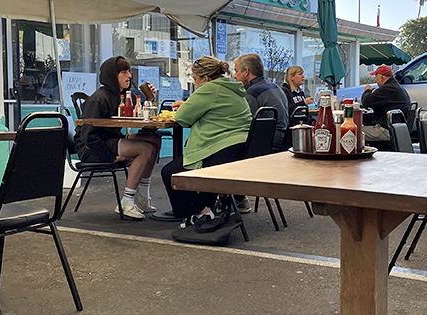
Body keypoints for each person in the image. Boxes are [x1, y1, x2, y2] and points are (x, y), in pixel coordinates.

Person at [161, 56, 252, 229]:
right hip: (239, 149)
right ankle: (207, 209)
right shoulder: (231, 89)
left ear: (206, 78)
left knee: (171, 173)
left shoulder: (210, 89)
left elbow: (182, 117)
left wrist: (186, 105)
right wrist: (189, 104)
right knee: (190, 168)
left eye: (195, 80)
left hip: (221, 149)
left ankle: (201, 213)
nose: (195, 84)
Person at [75, 56, 161, 220]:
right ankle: (126, 202)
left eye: (129, 71)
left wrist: (148, 98)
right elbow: (87, 136)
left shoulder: (119, 95)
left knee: (154, 140)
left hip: (108, 142)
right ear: (112, 75)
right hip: (91, 150)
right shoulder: (99, 99)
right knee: (146, 148)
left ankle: (142, 198)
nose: (129, 75)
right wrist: (110, 156)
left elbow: (138, 117)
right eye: (124, 72)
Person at [233, 53, 289, 149]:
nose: (234, 76)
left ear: (246, 71)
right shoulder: (276, 87)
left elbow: (242, 124)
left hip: (264, 144)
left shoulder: (252, 93)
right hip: (282, 140)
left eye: (236, 71)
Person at [360, 64, 410, 142]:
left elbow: (366, 101)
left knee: (355, 133)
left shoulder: (387, 89)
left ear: (381, 77)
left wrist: (367, 90)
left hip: (387, 130)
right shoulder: (396, 87)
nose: (375, 80)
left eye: (376, 77)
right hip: (396, 130)